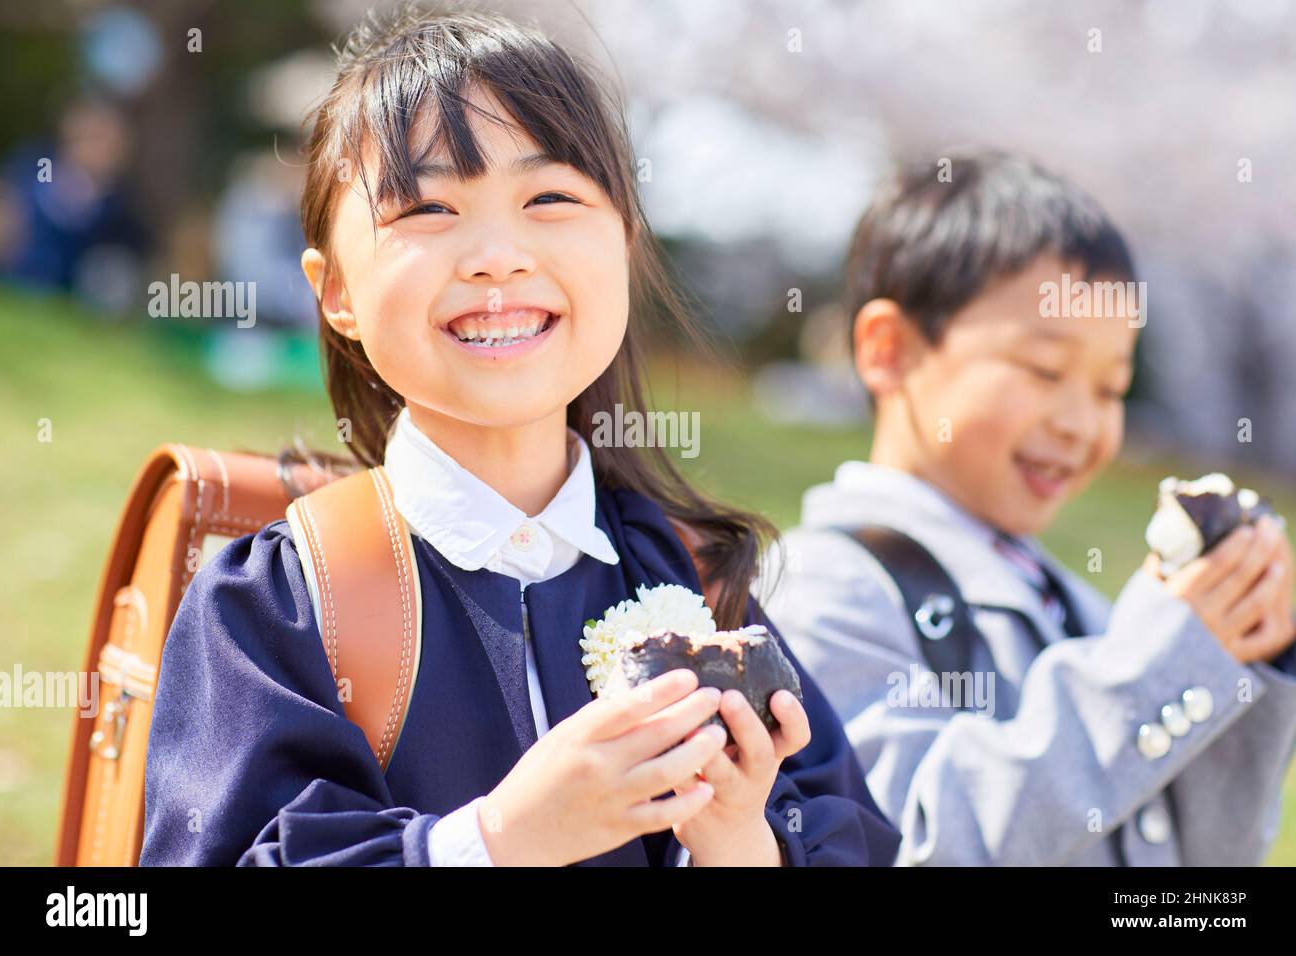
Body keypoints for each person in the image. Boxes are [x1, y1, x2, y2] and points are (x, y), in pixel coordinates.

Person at [139, 5, 900, 868]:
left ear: (624, 245)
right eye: (428, 208)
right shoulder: (284, 601)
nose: (498, 256)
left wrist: (737, 841)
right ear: (335, 291)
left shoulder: (697, 578)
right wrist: (496, 842)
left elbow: (853, 843)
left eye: (550, 198)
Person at [758, 150, 1296, 865]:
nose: (1081, 423)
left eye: (1111, 389)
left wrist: (1239, 648)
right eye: (1044, 371)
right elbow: (911, 847)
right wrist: (1155, 663)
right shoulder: (824, 589)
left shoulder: (1080, 603)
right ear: (889, 350)